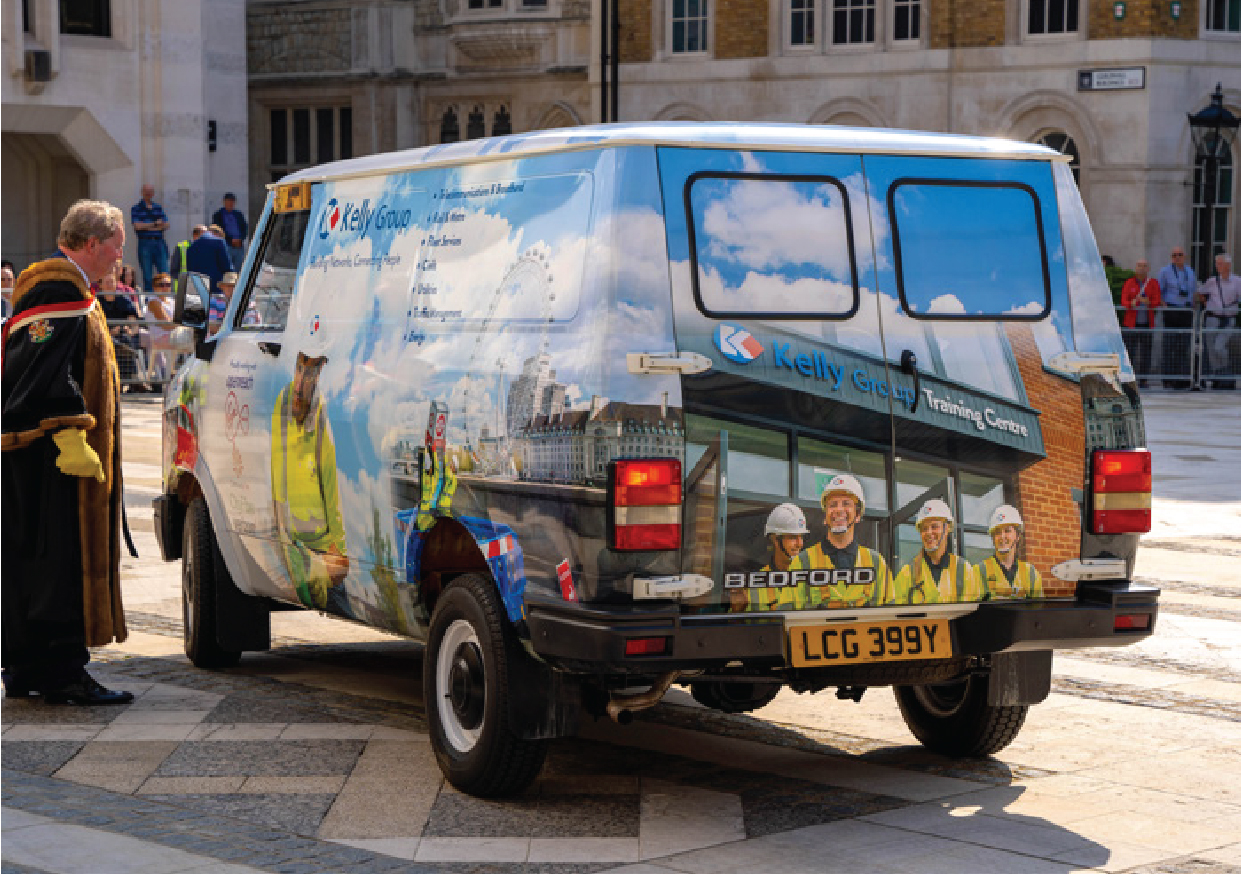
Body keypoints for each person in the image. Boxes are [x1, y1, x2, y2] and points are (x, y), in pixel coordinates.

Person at [1, 198, 132, 704]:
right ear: (92, 243)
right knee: (60, 561)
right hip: (52, 458)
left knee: (33, 559)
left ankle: (27, 667)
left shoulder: (66, 291)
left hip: (41, 455)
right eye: (116, 246)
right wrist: (69, 429)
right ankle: (62, 672)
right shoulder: (59, 291)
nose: (120, 256)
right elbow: (44, 372)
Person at [271, 326, 349, 611]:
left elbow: (328, 476)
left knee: (335, 598)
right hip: (293, 538)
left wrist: (338, 543)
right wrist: (280, 527)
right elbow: (277, 469)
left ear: (319, 372)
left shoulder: (320, 409)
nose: (302, 381)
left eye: (310, 372)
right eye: (299, 369)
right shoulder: (283, 401)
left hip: (319, 539)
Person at [783, 473, 890, 609]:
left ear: (858, 515)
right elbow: (786, 614)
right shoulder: (802, 563)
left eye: (846, 504)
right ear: (825, 517)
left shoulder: (877, 563)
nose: (839, 510)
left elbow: (890, 614)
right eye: (832, 505)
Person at [892, 499, 978, 604]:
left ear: (946, 528)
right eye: (924, 528)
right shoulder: (907, 573)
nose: (929, 532)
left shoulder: (964, 570)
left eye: (934, 527)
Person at [732, 503, 810, 611]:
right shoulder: (754, 584)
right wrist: (737, 611)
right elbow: (741, 620)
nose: (799, 544)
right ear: (775, 540)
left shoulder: (811, 579)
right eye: (792, 537)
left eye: (801, 537)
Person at [973, 505, 1043, 599]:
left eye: (1007, 531)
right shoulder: (979, 571)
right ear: (993, 538)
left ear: (1017, 536)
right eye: (997, 532)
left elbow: (1038, 607)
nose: (1002, 536)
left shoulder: (1031, 574)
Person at [1199, 253, 1241, 390]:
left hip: (1228, 319)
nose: (1218, 266)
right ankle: (1218, 376)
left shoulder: (1237, 281)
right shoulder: (1212, 281)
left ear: (1228, 265)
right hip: (1213, 318)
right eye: (1217, 264)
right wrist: (1205, 303)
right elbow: (1200, 292)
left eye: (1221, 263)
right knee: (1211, 349)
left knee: (1219, 347)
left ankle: (1225, 371)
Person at [1157, 247, 1196, 388]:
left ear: (1184, 256)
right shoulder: (1165, 271)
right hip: (1172, 309)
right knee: (1169, 345)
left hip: (1186, 310)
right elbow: (1159, 290)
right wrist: (1164, 305)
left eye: (1180, 254)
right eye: (1174, 255)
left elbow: (1192, 290)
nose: (1177, 257)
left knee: (1183, 346)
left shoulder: (1190, 271)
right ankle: (1168, 378)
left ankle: (1181, 378)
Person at [1120, 259, 1162, 387]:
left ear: (1148, 269)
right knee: (1130, 352)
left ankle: (1143, 380)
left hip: (1147, 324)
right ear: (1135, 267)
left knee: (1146, 353)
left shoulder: (1153, 283)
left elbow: (1157, 300)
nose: (1142, 268)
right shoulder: (1129, 282)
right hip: (1131, 324)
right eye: (1139, 265)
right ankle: (1129, 379)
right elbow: (1123, 301)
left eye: (1144, 266)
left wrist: (1149, 302)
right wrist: (1131, 303)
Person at [131, 184, 170, 293]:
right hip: (145, 243)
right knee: (147, 276)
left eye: (150, 191)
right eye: (146, 191)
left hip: (159, 243)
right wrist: (155, 224)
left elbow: (166, 225)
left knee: (165, 274)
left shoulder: (158, 207)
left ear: (153, 193)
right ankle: (149, 299)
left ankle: (166, 297)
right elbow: (137, 226)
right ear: (142, 193)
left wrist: (146, 226)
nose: (148, 193)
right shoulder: (136, 208)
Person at [185, 220, 233, 296]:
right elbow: (227, 267)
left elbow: (190, 270)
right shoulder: (219, 242)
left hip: (198, 288)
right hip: (216, 288)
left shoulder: (191, 247)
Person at [208, 271, 260, 336]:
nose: (230, 289)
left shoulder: (248, 304)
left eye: (233, 286)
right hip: (219, 339)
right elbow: (211, 326)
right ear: (223, 288)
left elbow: (253, 328)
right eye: (227, 286)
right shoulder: (214, 301)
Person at [212, 192, 248, 270]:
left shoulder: (238, 214)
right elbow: (217, 231)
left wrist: (241, 239)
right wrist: (231, 240)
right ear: (224, 202)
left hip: (239, 246)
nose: (230, 204)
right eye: (228, 201)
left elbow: (245, 228)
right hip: (226, 246)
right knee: (227, 269)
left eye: (232, 201)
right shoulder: (218, 215)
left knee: (239, 270)